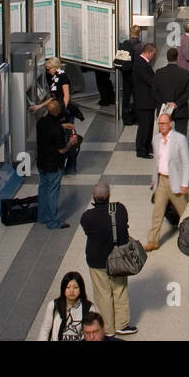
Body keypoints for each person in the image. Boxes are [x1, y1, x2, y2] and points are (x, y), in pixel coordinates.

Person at [80, 182, 137, 336]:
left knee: (103, 294)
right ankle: (122, 324)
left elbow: (88, 232)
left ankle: (108, 329)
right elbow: (124, 229)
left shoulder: (87, 217)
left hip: (96, 260)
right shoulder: (119, 209)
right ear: (109, 196)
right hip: (118, 258)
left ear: (93, 197)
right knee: (120, 290)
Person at [145, 112, 189, 251]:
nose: (161, 126)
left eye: (164, 123)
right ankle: (153, 241)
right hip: (162, 181)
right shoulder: (156, 139)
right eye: (159, 123)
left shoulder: (179, 139)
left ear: (171, 124)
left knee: (185, 212)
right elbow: (156, 162)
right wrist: (154, 180)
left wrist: (184, 183)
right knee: (157, 212)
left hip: (175, 180)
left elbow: (185, 163)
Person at [36, 97, 75, 229]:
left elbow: (49, 129)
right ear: (58, 111)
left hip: (41, 162)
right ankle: (53, 222)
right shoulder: (57, 130)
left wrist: (61, 126)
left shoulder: (41, 122)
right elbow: (62, 150)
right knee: (52, 192)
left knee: (43, 189)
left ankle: (42, 216)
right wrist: (71, 143)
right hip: (54, 164)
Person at [39, 271, 97, 341]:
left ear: (81, 289)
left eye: (76, 287)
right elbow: (45, 330)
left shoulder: (89, 307)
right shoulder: (53, 305)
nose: (71, 291)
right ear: (63, 289)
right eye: (68, 287)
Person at [154, 47, 189, 136]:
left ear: (167, 58)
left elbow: (155, 91)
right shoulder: (184, 73)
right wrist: (176, 103)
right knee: (181, 136)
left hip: (164, 109)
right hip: (181, 109)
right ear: (177, 57)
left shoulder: (159, 73)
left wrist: (165, 103)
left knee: (164, 136)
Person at [131, 43, 158, 158]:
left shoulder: (143, 63)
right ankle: (141, 150)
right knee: (144, 127)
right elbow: (150, 80)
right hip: (144, 101)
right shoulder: (141, 64)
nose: (154, 56)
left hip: (147, 101)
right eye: (153, 54)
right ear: (149, 52)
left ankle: (147, 146)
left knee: (149, 126)